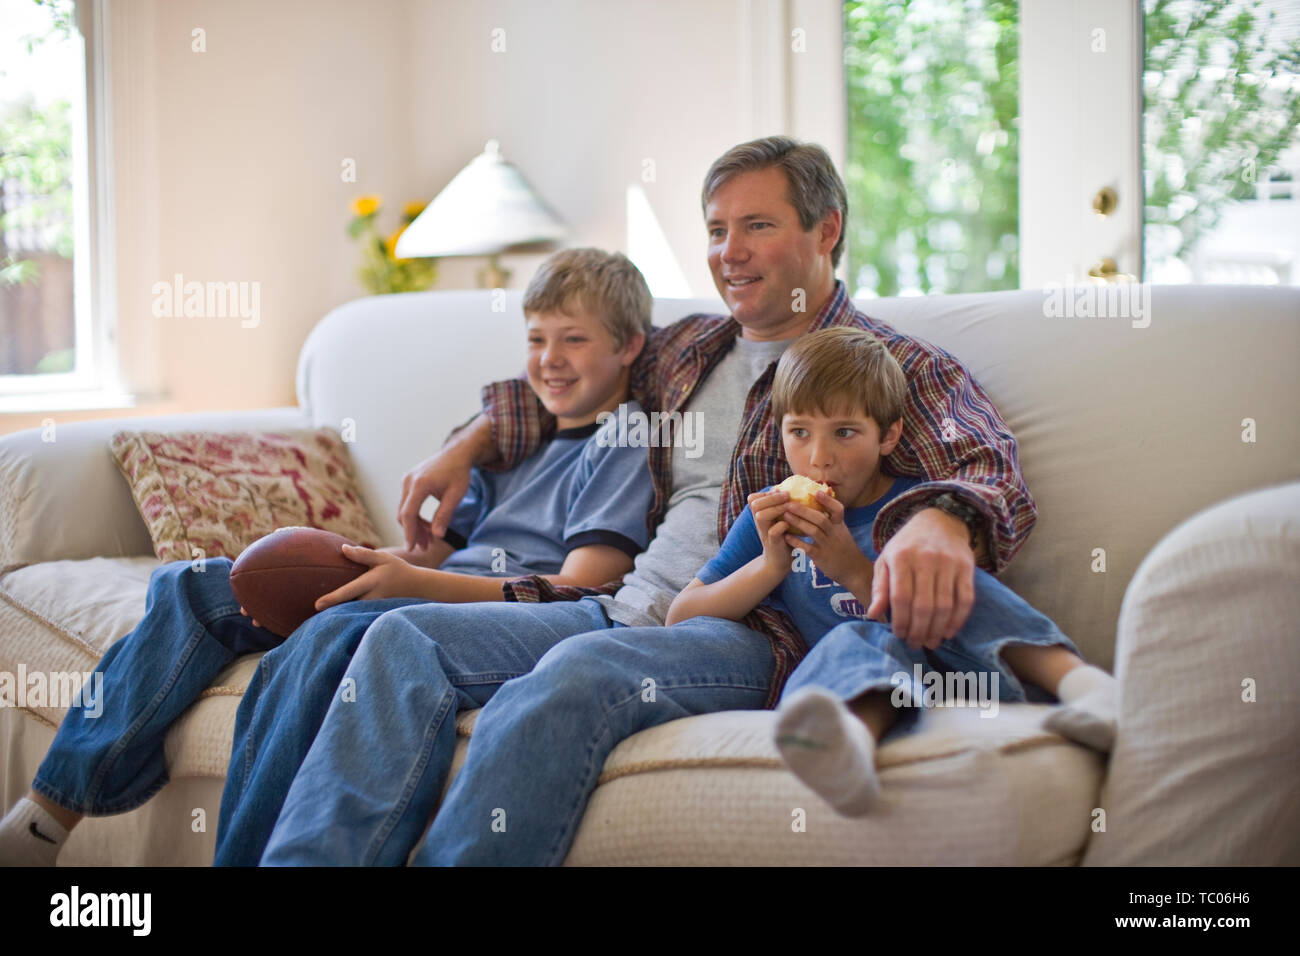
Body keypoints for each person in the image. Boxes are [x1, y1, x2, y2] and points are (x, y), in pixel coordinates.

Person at [251, 135, 1054, 867]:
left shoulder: (887, 364)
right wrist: (467, 445)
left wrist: (944, 524)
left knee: (578, 675)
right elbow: (569, 379)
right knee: (395, 640)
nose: (728, 253)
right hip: (615, 601)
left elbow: (987, 466)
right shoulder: (684, 349)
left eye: (756, 227)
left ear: (826, 231)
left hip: (744, 627)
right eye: (714, 231)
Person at [0, 247, 655, 866]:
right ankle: (44, 818)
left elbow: (584, 584)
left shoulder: (621, 444)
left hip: (496, 613)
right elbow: (430, 551)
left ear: (628, 347)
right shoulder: (504, 446)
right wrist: (347, 558)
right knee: (197, 584)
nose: (549, 360)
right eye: (537, 340)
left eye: (574, 339)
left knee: (326, 633)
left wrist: (412, 581)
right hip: (431, 584)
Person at [667, 327, 1116, 815]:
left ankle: (1086, 687)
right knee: (856, 641)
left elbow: (917, 607)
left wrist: (851, 567)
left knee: (948, 579)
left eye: (844, 432)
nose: (819, 458)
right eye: (799, 432)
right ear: (780, 434)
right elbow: (681, 615)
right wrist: (771, 565)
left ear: (889, 435)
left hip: (961, 662)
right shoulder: (768, 520)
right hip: (875, 679)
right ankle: (849, 749)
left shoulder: (911, 509)